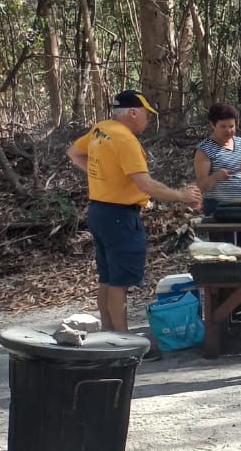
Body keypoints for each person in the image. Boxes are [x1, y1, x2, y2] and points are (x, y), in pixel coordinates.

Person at [66, 89, 201, 334]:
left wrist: (103, 177)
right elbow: (145, 184)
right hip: (119, 216)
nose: (147, 119)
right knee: (119, 282)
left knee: (107, 277)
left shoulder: (101, 129)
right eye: (145, 114)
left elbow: (74, 153)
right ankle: (122, 339)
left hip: (99, 211)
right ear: (132, 112)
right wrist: (181, 195)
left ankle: (108, 334)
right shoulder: (125, 139)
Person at [194, 102, 241, 320]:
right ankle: (231, 307)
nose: (229, 131)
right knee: (226, 258)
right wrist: (216, 177)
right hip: (219, 211)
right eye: (223, 127)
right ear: (212, 126)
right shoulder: (204, 150)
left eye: (232, 126)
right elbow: (201, 186)